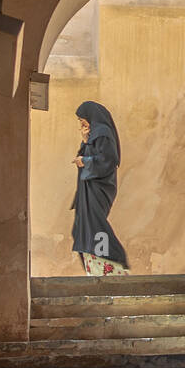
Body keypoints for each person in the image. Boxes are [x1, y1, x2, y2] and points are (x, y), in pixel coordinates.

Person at [71, 100, 131, 276]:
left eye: (83, 120)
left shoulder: (102, 133)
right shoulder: (94, 135)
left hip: (99, 188)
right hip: (89, 189)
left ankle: (111, 265)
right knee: (82, 227)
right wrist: (85, 142)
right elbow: (89, 155)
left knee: (95, 226)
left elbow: (107, 160)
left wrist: (85, 161)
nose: (82, 124)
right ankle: (97, 268)